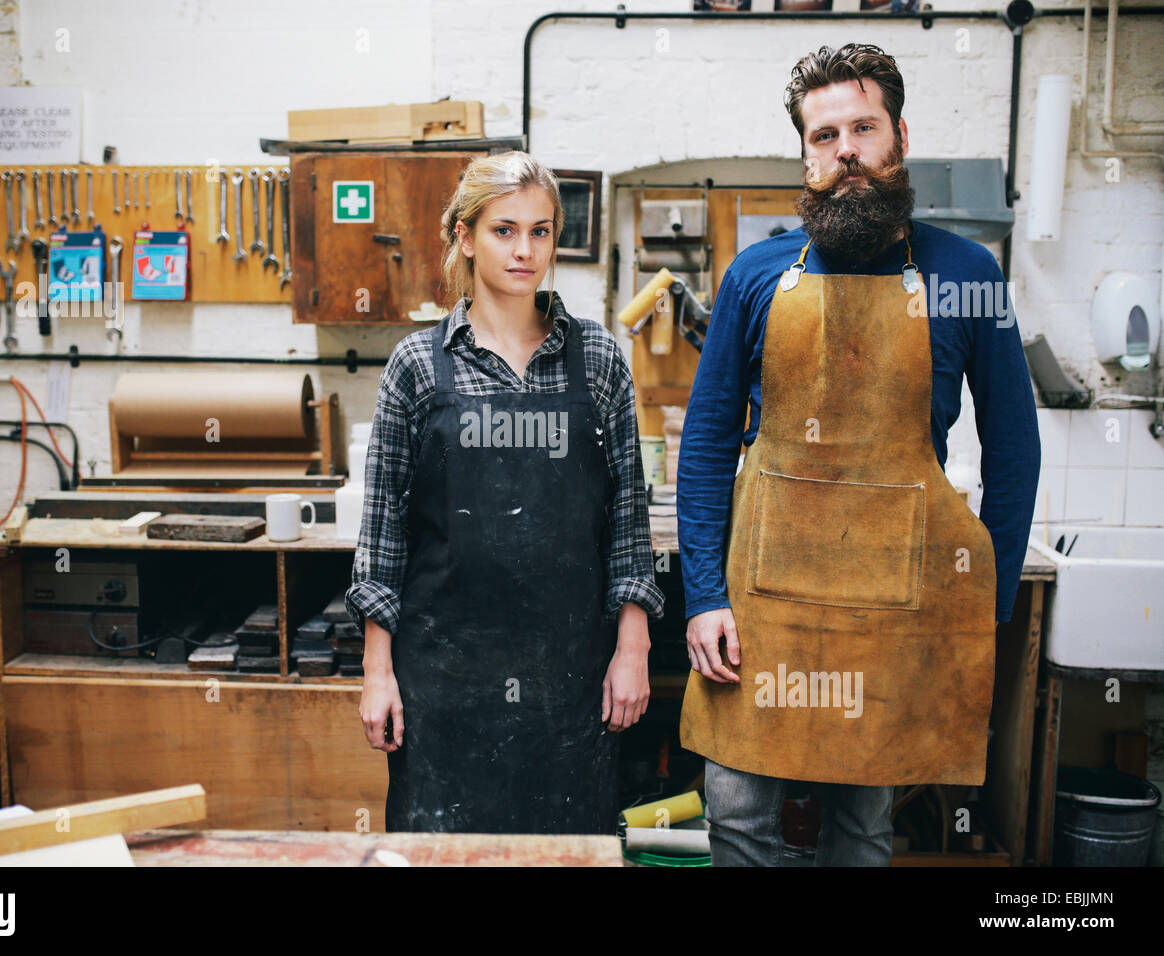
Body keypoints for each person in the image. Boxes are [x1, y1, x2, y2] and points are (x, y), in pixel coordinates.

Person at [677, 43, 1041, 866]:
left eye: (863, 128)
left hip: (896, 606)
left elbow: (1015, 451)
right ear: (805, 154)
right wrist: (704, 595)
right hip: (764, 598)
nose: (845, 150)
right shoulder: (756, 275)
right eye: (823, 134)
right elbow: (704, 447)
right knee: (735, 814)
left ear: (898, 137)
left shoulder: (966, 273)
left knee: (863, 828)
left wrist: (985, 605)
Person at [346, 151, 665, 834]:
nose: (526, 250)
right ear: (464, 236)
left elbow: (627, 526)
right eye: (504, 230)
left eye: (542, 231)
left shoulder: (598, 359)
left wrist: (631, 651)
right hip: (444, 678)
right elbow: (381, 538)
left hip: (569, 682)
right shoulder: (417, 366)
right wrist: (378, 671)